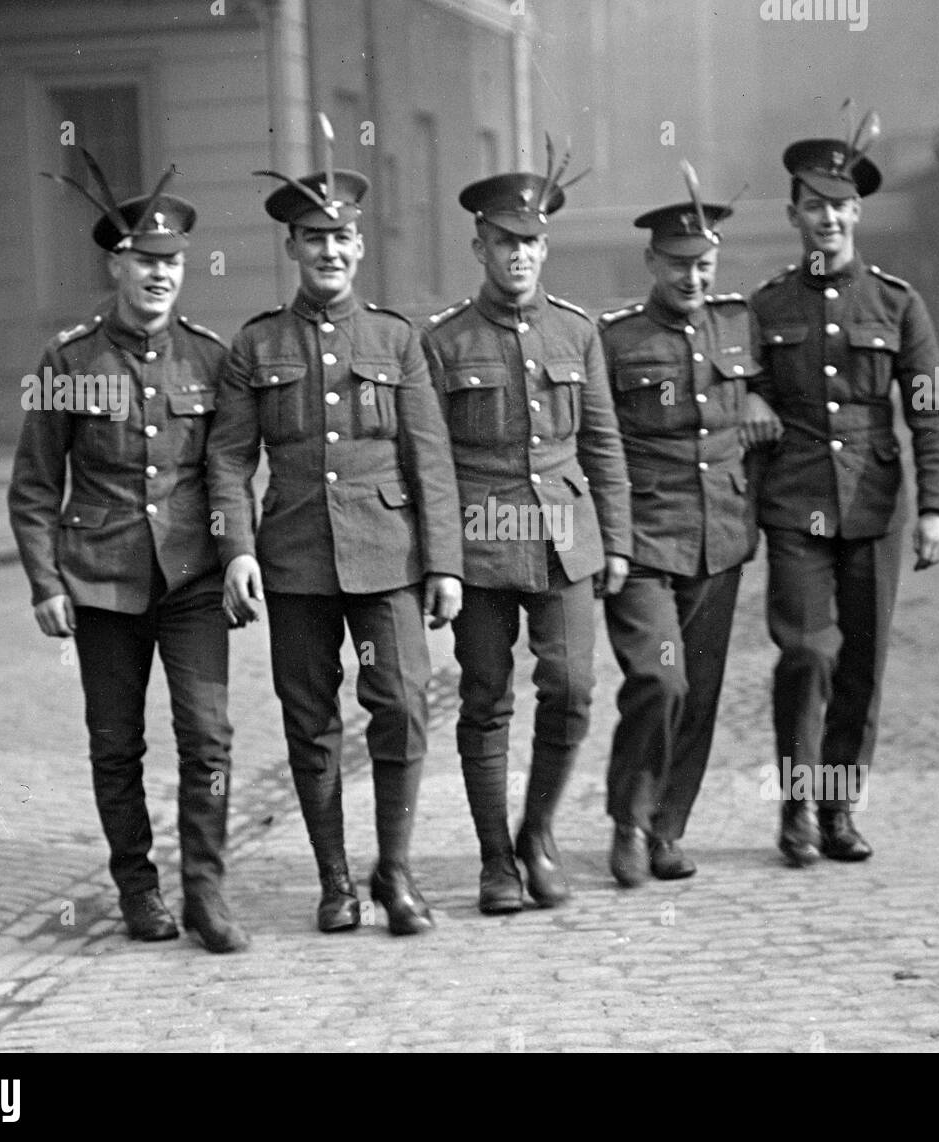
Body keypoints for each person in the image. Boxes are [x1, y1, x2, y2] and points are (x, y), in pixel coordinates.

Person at [206, 139, 462, 937]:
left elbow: (432, 459)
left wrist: (445, 563)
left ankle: (396, 872)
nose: (328, 251)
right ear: (294, 248)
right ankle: (333, 882)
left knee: (403, 708)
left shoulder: (395, 340)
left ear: (358, 245)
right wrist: (238, 550)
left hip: (388, 558)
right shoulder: (256, 346)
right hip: (295, 561)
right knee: (308, 721)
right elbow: (227, 460)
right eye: (313, 238)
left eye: (341, 237)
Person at [9, 151, 248, 952]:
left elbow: (226, 471)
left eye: (172, 263)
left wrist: (235, 552)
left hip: (190, 581)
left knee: (208, 737)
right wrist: (46, 583)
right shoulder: (69, 361)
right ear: (117, 264)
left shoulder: (212, 359)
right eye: (146, 261)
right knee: (116, 744)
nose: (160, 276)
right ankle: (138, 890)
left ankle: (207, 893)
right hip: (102, 580)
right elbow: (35, 485)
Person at [740, 117, 939, 867]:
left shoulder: (900, 305)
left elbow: (928, 410)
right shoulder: (766, 307)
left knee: (861, 662)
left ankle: (837, 808)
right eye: (812, 205)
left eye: (839, 206)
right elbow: (738, 384)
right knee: (806, 655)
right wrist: (751, 399)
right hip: (796, 501)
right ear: (793, 213)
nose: (827, 219)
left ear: (857, 213)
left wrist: (937, 507)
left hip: (873, 505)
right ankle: (795, 808)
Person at [421, 142, 632, 914]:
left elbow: (603, 442)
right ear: (480, 247)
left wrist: (618, 541)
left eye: (532, 242)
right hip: (479, 543)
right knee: (485, 699)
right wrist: (440, 560)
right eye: (505, 241)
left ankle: (536, 832)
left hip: (566, 540)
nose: (519, 255)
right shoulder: (442, 342)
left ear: (547, 247)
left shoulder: (578, 332)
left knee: (573, 690)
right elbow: (432, 464)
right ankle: (494, 863)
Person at [598, 164, 759, 886]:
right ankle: (629, 821)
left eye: (704, 264)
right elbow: (593, 440)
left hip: (720, 535)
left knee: (698, 690)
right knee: (659, 680)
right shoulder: (617, 340)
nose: (692, 276)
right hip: (641, 541)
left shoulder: (738, 325)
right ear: (651, 263)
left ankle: (669, 829)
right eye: (678, 264)